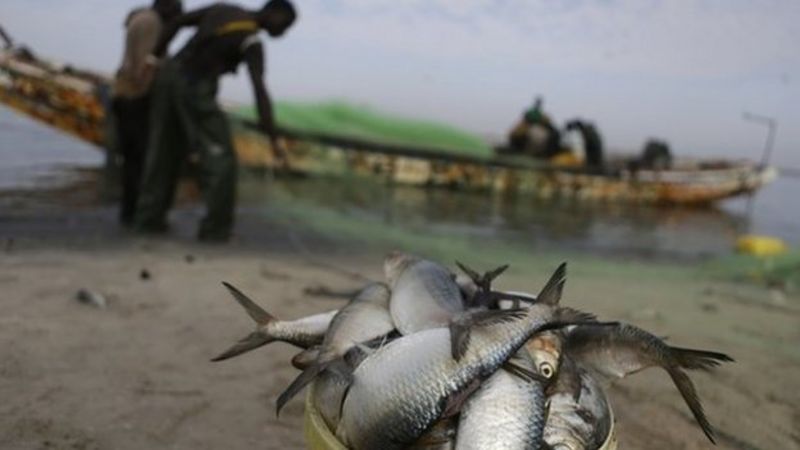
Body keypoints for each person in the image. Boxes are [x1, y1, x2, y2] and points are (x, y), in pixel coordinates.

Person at [134, 0, 296, 242]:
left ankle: (148, 222)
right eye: (285, 25)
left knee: (162, 151)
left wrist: (153, 60)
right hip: (195, 88)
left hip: (168, 77)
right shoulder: (252, 41)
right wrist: (272, 136)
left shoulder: (224, 10)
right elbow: (259, 89)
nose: (283, 32)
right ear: (274, 13)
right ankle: (215, 231)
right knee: (221, 161)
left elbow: (178, 22)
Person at [111, 0, 183, 225]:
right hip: (136, 99)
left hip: (125, 96)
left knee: (132, 161)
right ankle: (139, 215)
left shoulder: (140, 19)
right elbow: (145, 67)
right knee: (143, 161)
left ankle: (129, 212)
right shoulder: (151, 23)